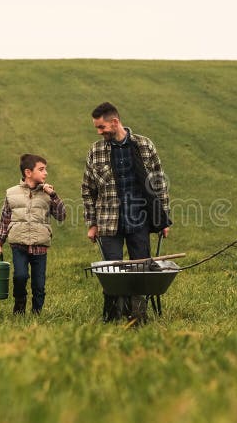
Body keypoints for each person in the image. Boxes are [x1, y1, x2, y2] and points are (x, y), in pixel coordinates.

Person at [81, 102, 172, 324]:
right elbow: (87, 190)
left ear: (115, 122)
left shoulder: (145, 145)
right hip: (108, 222)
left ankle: (138, 317)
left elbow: (159, 184)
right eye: (97, 129)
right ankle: (112, 317)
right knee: (112, 272)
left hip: (139, 219)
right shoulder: (96, 150)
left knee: (140, 270)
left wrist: (163, 219)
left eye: (101, 127)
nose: (99, 132)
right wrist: (92, 224)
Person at [0, 154, 66, 315]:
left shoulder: (48, 194)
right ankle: (19, 307)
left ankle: (37, 312)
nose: (45, 173)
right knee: (20, 276)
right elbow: (5, 218)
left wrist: (54, 195)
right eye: (41, 169)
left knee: (39, 284)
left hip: (40, 245)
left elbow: (62, 216)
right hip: (18, 243)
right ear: (28, 172)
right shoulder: (11, 193)